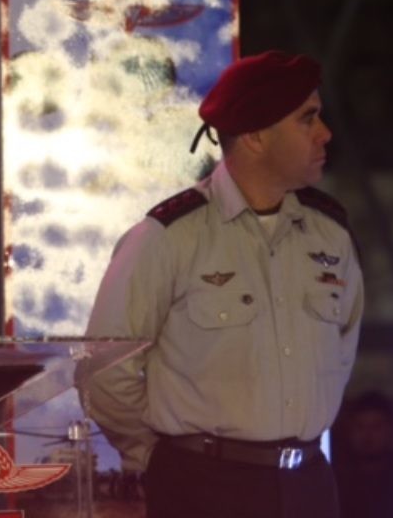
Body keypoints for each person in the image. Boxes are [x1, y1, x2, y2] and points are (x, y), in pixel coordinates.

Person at [78, 50, 364, 518]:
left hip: (309, 484)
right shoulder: (169, 236)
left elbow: (342, 352)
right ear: (254, 136)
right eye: (307, 118)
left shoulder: (330, 232)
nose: (325, 132)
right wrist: (157, 457)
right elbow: (103, 371)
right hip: (204, 487)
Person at [333, 391, 393, 518]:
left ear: (391, 429)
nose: (367, 436)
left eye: (376, 427)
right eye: (360, 427)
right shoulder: (336, 475)